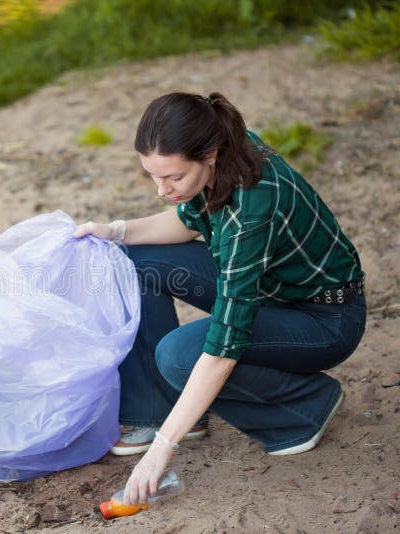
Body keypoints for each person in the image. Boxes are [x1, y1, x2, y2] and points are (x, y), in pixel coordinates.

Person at [73, 92, 366, 506]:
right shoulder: (222, 146)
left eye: (172, 178)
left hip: (324, 317)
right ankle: (157, 409)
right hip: (271, 287)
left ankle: (303, 409)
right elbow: (185, 219)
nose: (161, 190)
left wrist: (162, 452)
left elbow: (224, 348)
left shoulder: (253, 208)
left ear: (207, 155)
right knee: (132, 260)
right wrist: (115, 231)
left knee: (181, 355)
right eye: (153, 176)